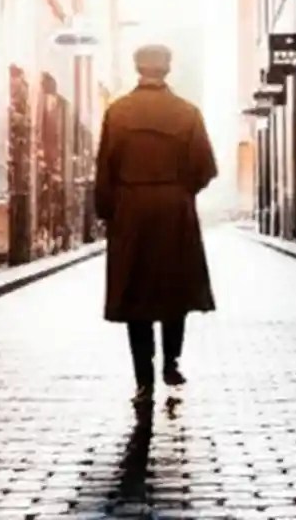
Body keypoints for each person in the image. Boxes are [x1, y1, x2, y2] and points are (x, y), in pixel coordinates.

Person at [94, 43, 217, 404]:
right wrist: (180, 190)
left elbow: (105, 169)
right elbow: (205, 167)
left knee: (136, 293)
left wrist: (108, 211)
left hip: (131, 209)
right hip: (174, 208)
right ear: (167, 68)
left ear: (137, 68)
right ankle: (171, 362)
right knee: (173, 288)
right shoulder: (187, 113)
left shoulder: (117, 113)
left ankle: (143, 377)